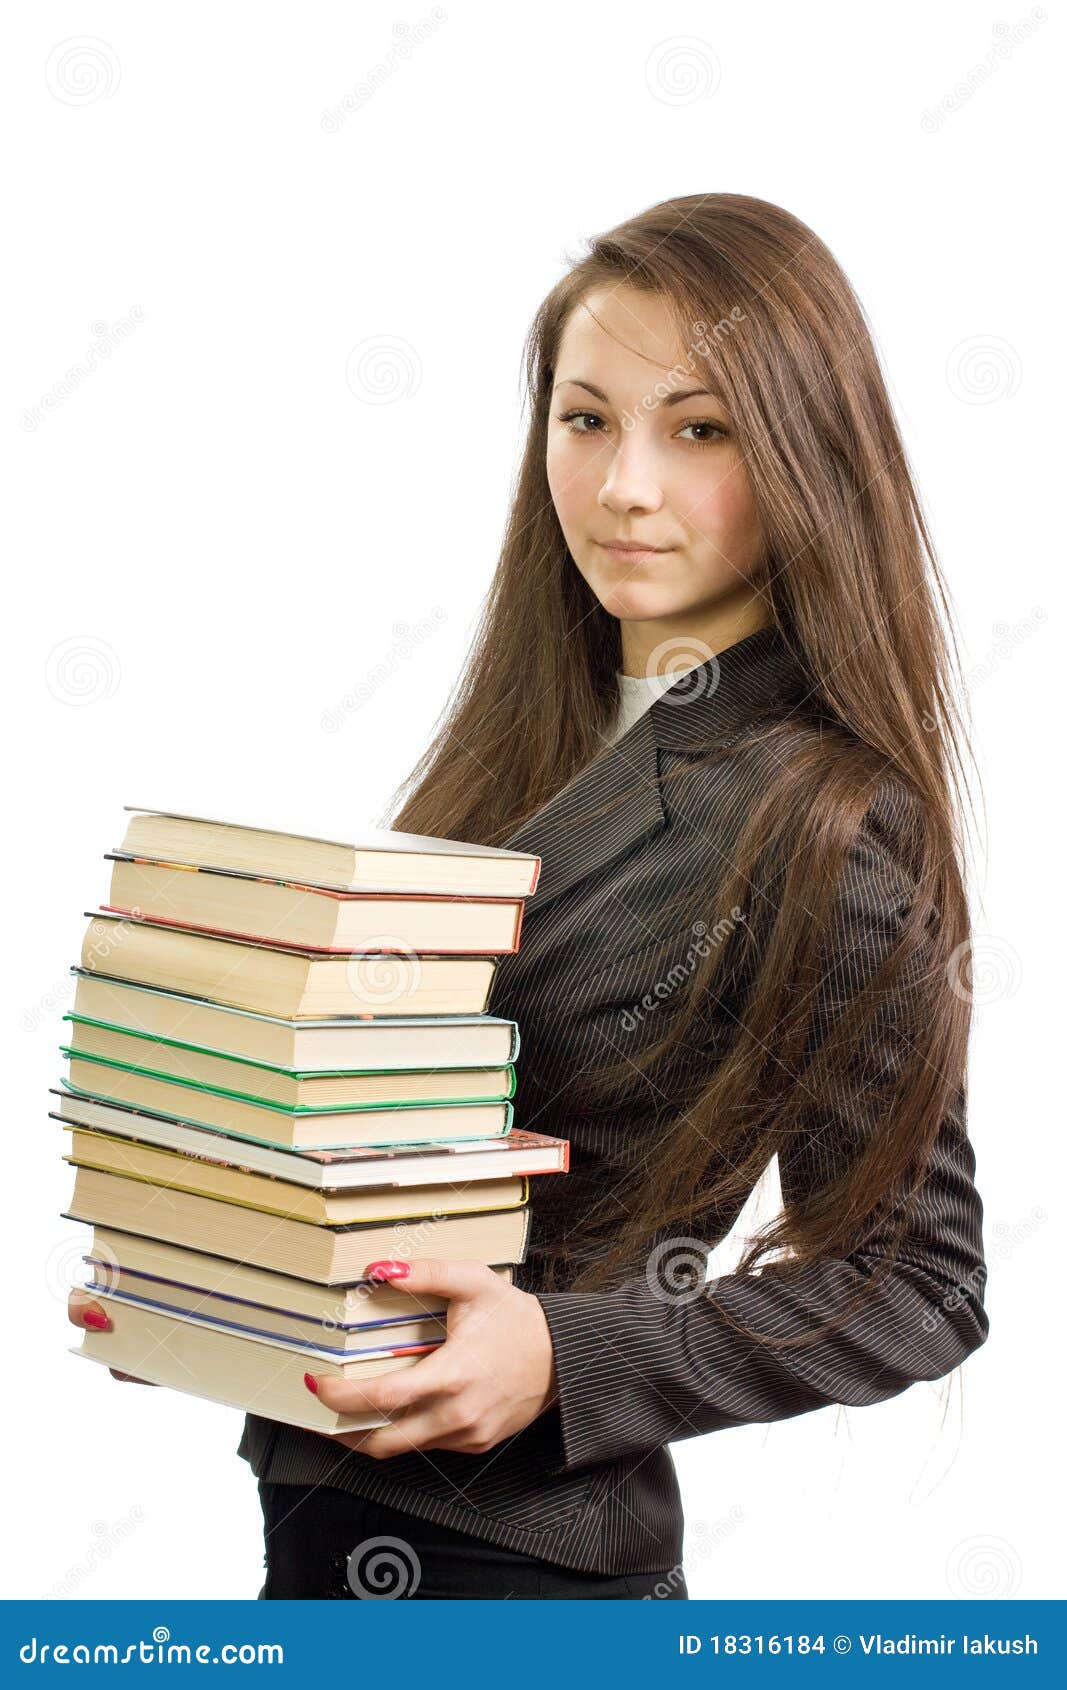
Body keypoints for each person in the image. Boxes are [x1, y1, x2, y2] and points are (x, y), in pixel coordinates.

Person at [69, 191, 990, 1600]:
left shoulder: (827, 814)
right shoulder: (534, 732)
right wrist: (226, 1280)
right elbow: (405, 1138)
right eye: (586, 419)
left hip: (528, 1573)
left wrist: (567, 1353)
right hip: (322, 1546)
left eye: (700, 430)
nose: (625, 485)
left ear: (806, 449)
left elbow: (922, 1281)